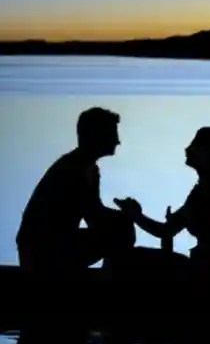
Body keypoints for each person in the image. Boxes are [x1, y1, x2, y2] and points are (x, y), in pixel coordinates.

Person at [15, 107, 136, 272]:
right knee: (122, 228)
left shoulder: (86, 167)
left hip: (49, 246)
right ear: (98, 135)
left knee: (121, 226)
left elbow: (94, 216)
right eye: (113, 133)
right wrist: (127, 217)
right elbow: (94, 216)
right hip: (42, 251)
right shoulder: (75, 167)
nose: (117, 141)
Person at [114, 126, 210, 273]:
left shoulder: (208, 193)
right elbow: (169, 230)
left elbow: (166, 231)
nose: (187, 149)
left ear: (209, 154)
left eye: (195, 145)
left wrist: (135, 215)